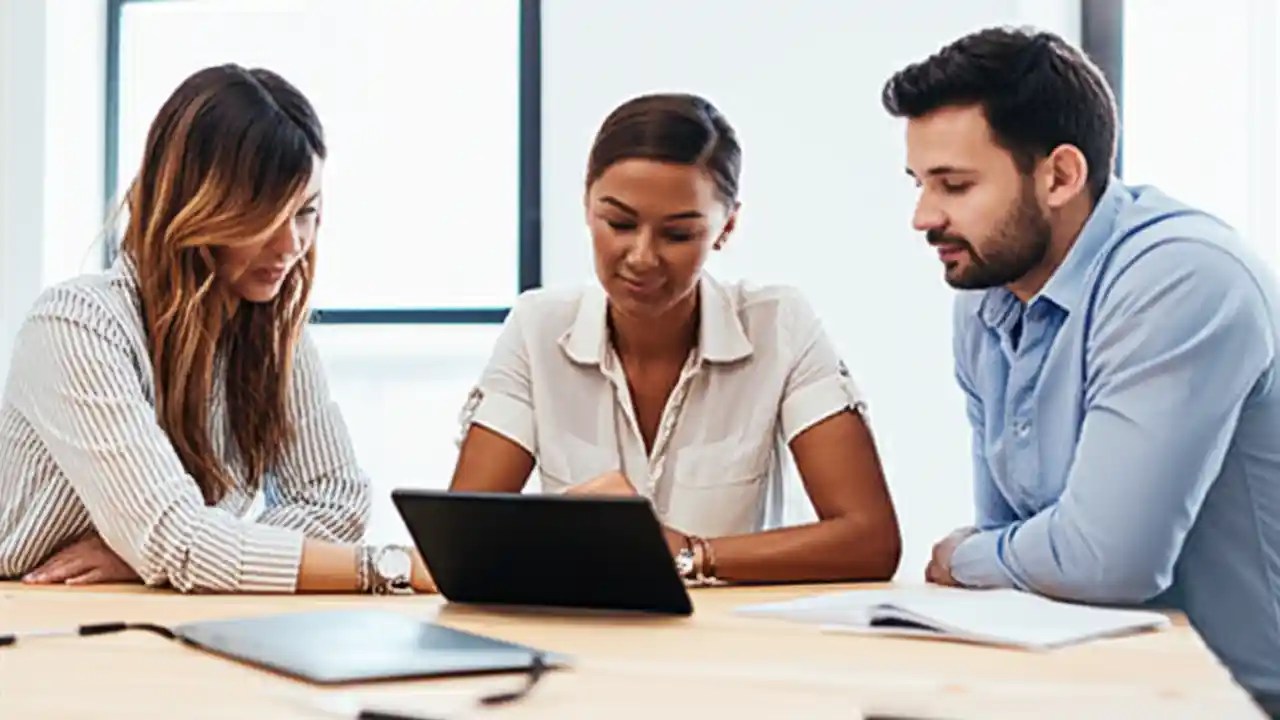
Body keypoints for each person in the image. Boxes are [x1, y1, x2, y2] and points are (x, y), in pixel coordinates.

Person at [882, 26, 1280, 713]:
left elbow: (1108, 563)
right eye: (920, 184)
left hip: (1235, 698)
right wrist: (997, 557)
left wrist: (966, 556)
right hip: (1088, 684)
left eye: (954, 185)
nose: (923, 216)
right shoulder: (986, 298)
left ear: (1060, 175)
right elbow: (1025, 562)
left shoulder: (1182, 278)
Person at [0, 64, 431, 595]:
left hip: (162, 603)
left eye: (305, 211)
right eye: (265, 217)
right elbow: (178, 543)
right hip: (31, 603)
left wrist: (169, 552)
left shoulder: (271, 331)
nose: (291, 245)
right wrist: (391, 567)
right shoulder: (75, 326)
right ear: (196, 205)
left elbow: (336, 502)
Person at [449, 92, 901, 585]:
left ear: (725, 228)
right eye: (619, 223)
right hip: (582, 634)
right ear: (586, 206)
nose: (641, 257)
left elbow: (870, 540)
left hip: (731, 643)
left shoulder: (778, 324)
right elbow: (460, 542)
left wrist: (689, 554)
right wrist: (560, 532)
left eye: (678, 235)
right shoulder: (537, 326)